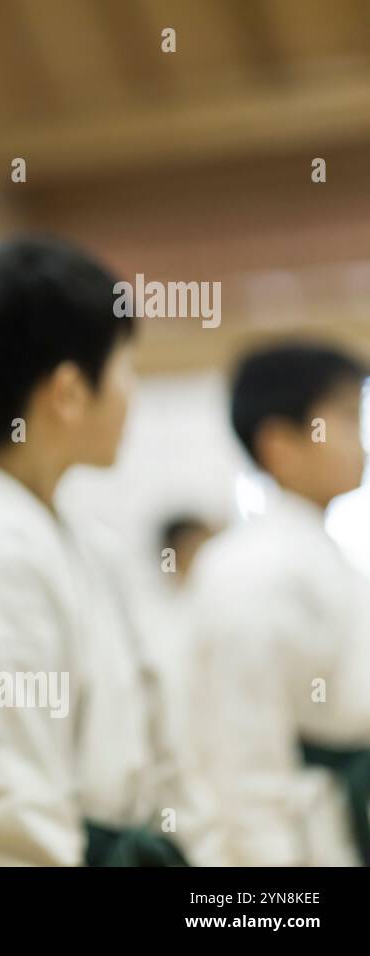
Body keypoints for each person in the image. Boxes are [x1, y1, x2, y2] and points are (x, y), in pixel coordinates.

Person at [0, 236, 215, 866]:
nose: (134, 391)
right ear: (67, 391)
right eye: (124, 367)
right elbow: (5, 821)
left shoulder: (84, 543)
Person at [190, 342, 370, 865]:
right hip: (303, 845)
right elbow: (244, 764)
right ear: (280, 443)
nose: (361, 444)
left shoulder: (323, 553)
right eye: (344, 418)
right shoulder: (249, 568)